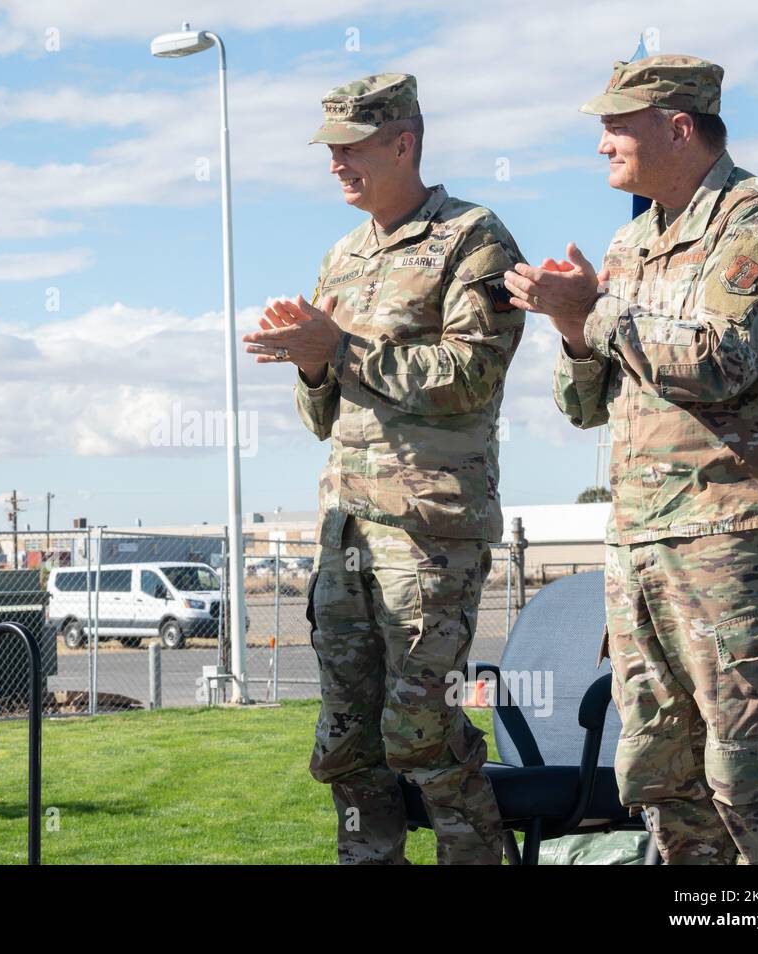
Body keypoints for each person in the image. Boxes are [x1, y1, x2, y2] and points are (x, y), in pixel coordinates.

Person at [504, 55, 758, 864]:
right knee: (662, 770)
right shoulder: (631, 242)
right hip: (643, 539)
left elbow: (719, 361)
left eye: (616, 126)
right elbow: (582, 403)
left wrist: (597, 311)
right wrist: (569, 327)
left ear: (678, 126)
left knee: (747, 764)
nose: (601, 146)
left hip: (738, 534)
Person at [244, 74, 525, 864]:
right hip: (347, 532)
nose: (335, 164)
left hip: (430, 528)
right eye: (329, 150)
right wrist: (309, 367)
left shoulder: (475, 238)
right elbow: (324, 416)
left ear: (404, 143)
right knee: (345, 740)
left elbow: (472, 373)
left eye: (352, 148)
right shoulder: (342, 257)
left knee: (421, 729)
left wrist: (338, 349)